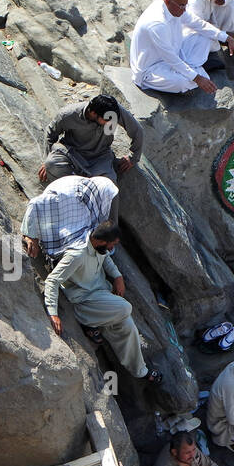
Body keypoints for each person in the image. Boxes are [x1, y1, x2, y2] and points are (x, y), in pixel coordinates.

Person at [42, 221, 162, 385]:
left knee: (129, 327)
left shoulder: (99, 247)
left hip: (101, 293)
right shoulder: (77, 255)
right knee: (125, 307)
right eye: (112, 244)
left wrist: (118, 277)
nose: (112, 249)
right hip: (84, 300)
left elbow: (107, 260)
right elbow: (52, 281)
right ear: (101, 241)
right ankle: (88, 323)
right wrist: (53, 313)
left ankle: (140, 371)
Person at [40, 95, 143, 220]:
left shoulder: (113, 112)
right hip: (72, 154)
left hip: (101, 158)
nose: (111, 122)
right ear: (93, 113)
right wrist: (45, 160)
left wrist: (133, 158)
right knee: (52, 164)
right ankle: (73, 204)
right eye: (107, 121)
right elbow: (50, 133)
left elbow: (138, 131)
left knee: (110, 187)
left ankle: (109, 229)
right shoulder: (69, 114)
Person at [130, 0, 234, 94]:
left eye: (186, 5)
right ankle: (190, 71)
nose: (184, 10)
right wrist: (197, 78)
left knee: (206, 36)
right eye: (182, 6)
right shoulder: (157, 24)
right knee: (182, 82)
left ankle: (189, 70)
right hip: (152, 68)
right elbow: (170, 58)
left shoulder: (174, 7)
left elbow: (197, 23)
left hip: (176, 53)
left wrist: (226, 38)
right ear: (167, 1)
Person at [21, 175, 117, 262]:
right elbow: (35, 204)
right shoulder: (68, 195)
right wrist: (31, 236)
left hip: (70, 217)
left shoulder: (93, 203)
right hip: (57, 210)